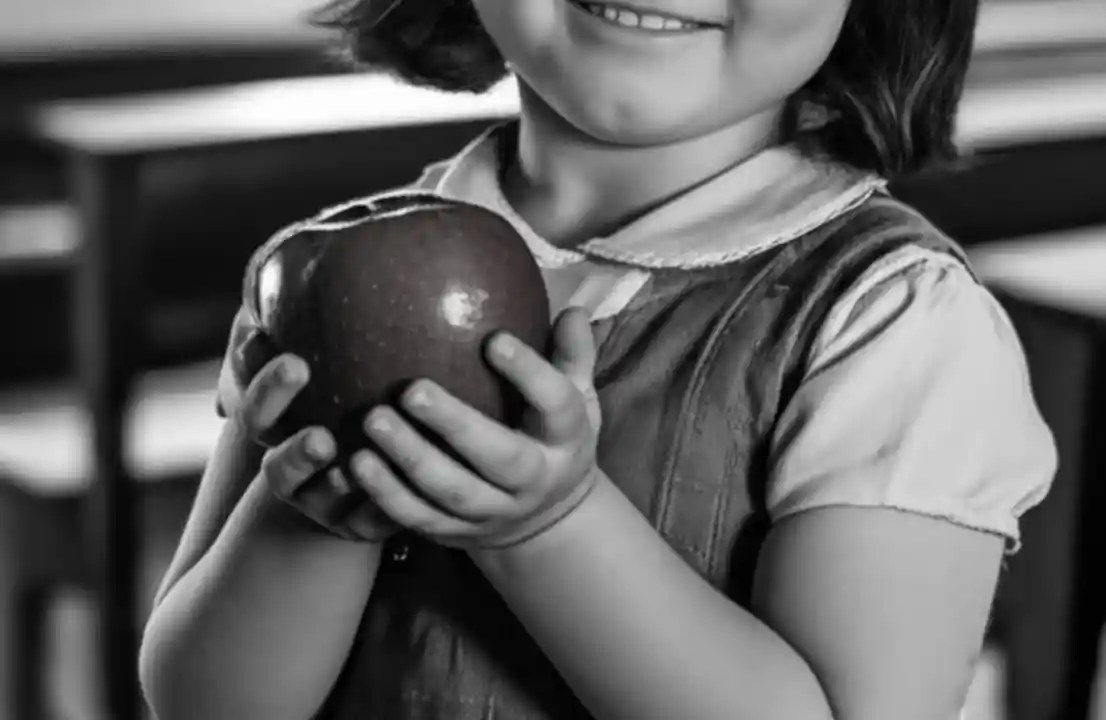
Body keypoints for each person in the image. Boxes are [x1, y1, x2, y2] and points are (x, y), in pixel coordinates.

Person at [139, 0, 1058, 718]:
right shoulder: (323, 275)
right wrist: (312, 521)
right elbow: (201, 701)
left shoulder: (889, 323)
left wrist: (547, 528)